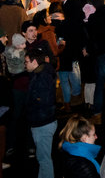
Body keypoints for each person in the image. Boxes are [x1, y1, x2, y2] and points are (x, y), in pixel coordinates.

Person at [26, 45, 58, 178]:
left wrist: (34, 113)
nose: (25, 64)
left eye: (26, 61)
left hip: (42, 124)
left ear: (34, 62)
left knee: (44, 160)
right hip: (43, 123)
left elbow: (44, 101)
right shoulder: (42, 73)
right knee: (43, 158)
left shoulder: (41, 77)